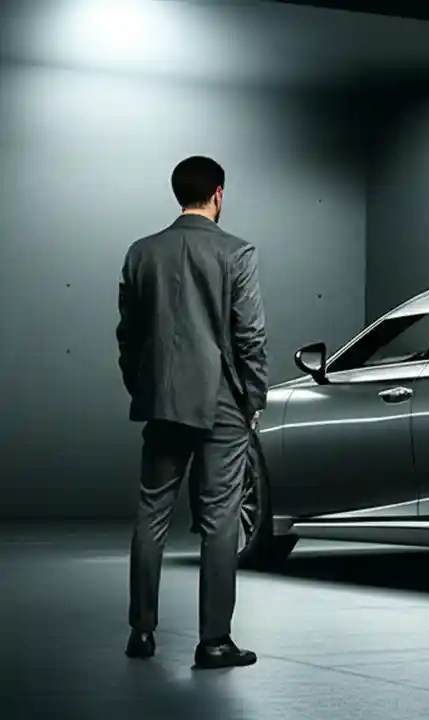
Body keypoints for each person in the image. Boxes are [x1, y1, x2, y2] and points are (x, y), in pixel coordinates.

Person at [116, 156, 268, 669]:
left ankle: (141, 631)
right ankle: (214, 642)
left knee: (151, 512)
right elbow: (250, 335)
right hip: (222, 402)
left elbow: (129, 335)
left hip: (162, 399)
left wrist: (144, 385)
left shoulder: (142, 253)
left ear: (178, 192)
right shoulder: (236, 252)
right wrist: (256, 398)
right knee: (220, 519)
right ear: (219, 195)